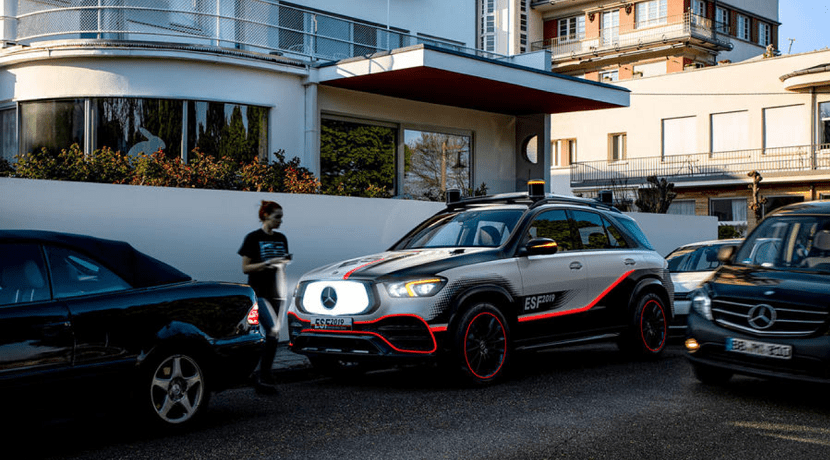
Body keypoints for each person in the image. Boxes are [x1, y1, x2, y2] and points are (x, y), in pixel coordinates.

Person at [239, 200, 290, 394]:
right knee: (272, 330)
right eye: (277, 217)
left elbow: (283, 267)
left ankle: (264, 374)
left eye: (281, 217)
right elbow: (245, 267)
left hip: (277, 293)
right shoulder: (253, 238)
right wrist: (266, 263)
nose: (280, 221)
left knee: (273, 335)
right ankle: (261, 375)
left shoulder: (282, 238)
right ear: (265, 216)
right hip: (259, 293)